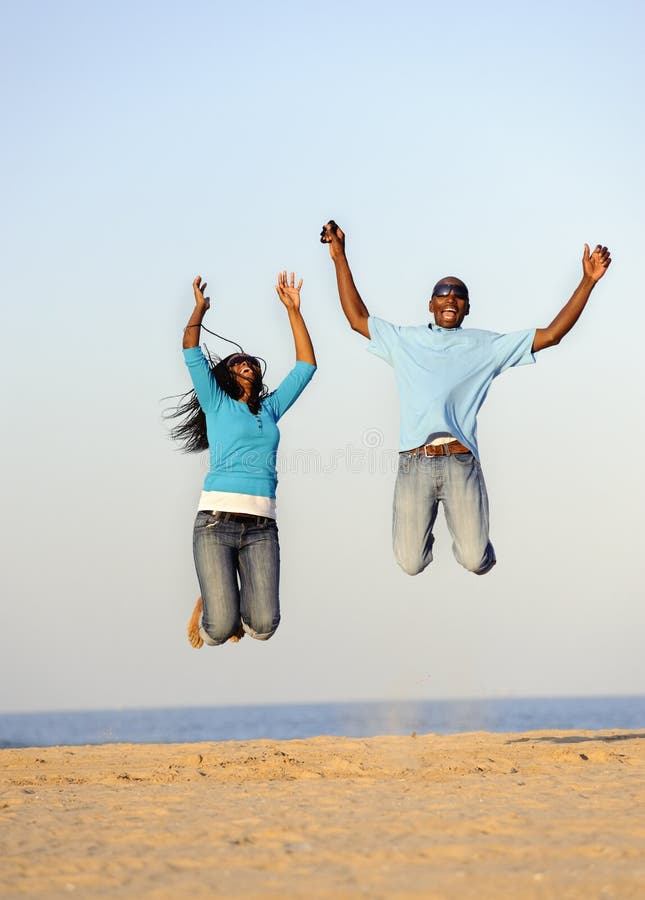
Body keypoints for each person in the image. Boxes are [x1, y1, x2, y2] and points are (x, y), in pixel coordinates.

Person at [321, 221, 611, 575]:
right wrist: (339, 255)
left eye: (458, 295)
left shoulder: (485, 346)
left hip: (460, 461)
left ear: (467, 308)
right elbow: (357, 318)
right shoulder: (404, 340)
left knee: (474, 559)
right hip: (415, 462)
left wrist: (588, 281)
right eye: (443, 293)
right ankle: (421, 529)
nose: (450, 298)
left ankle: (477, 540)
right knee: (410, 563)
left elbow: (551, 335)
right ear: (431, 304)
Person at [170, 272, 316, 647]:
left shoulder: (270, 409)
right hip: (215, 523)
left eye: (250, 361)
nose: (246, 363)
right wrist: (199, 310)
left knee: (263, 627)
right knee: (219, 630)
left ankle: (226, 600)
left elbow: (306, 367)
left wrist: (294, 312)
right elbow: (190, 350)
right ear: (226, 374)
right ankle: (212, 606)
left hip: (261, 527)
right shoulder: (216, 402)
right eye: (237, 362)